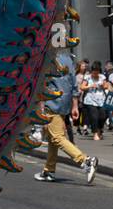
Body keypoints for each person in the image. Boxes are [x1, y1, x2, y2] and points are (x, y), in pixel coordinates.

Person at [34, 49, 98, 184]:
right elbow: (74, 84)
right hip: (64, 103)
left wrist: (40, 106)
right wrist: (74, 106)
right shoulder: (68, 59)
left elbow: (41, 84)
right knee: (53, 136)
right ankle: (48, 171)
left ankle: (85, 161)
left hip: (51, 102)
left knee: (57, 137)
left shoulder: (46, 59)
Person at [79, 61, 108, 141]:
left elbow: (106, 86)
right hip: (90, 100)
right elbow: (82, 87)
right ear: (92, 71)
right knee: (94, 117)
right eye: (94, 72)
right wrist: (90, 86)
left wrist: (103, 85)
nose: (95, 73)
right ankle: (95, 133)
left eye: (97, 72)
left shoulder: (102, 77)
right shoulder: (87, 77)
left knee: (102, 116)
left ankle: (100, 130)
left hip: (101, 100)